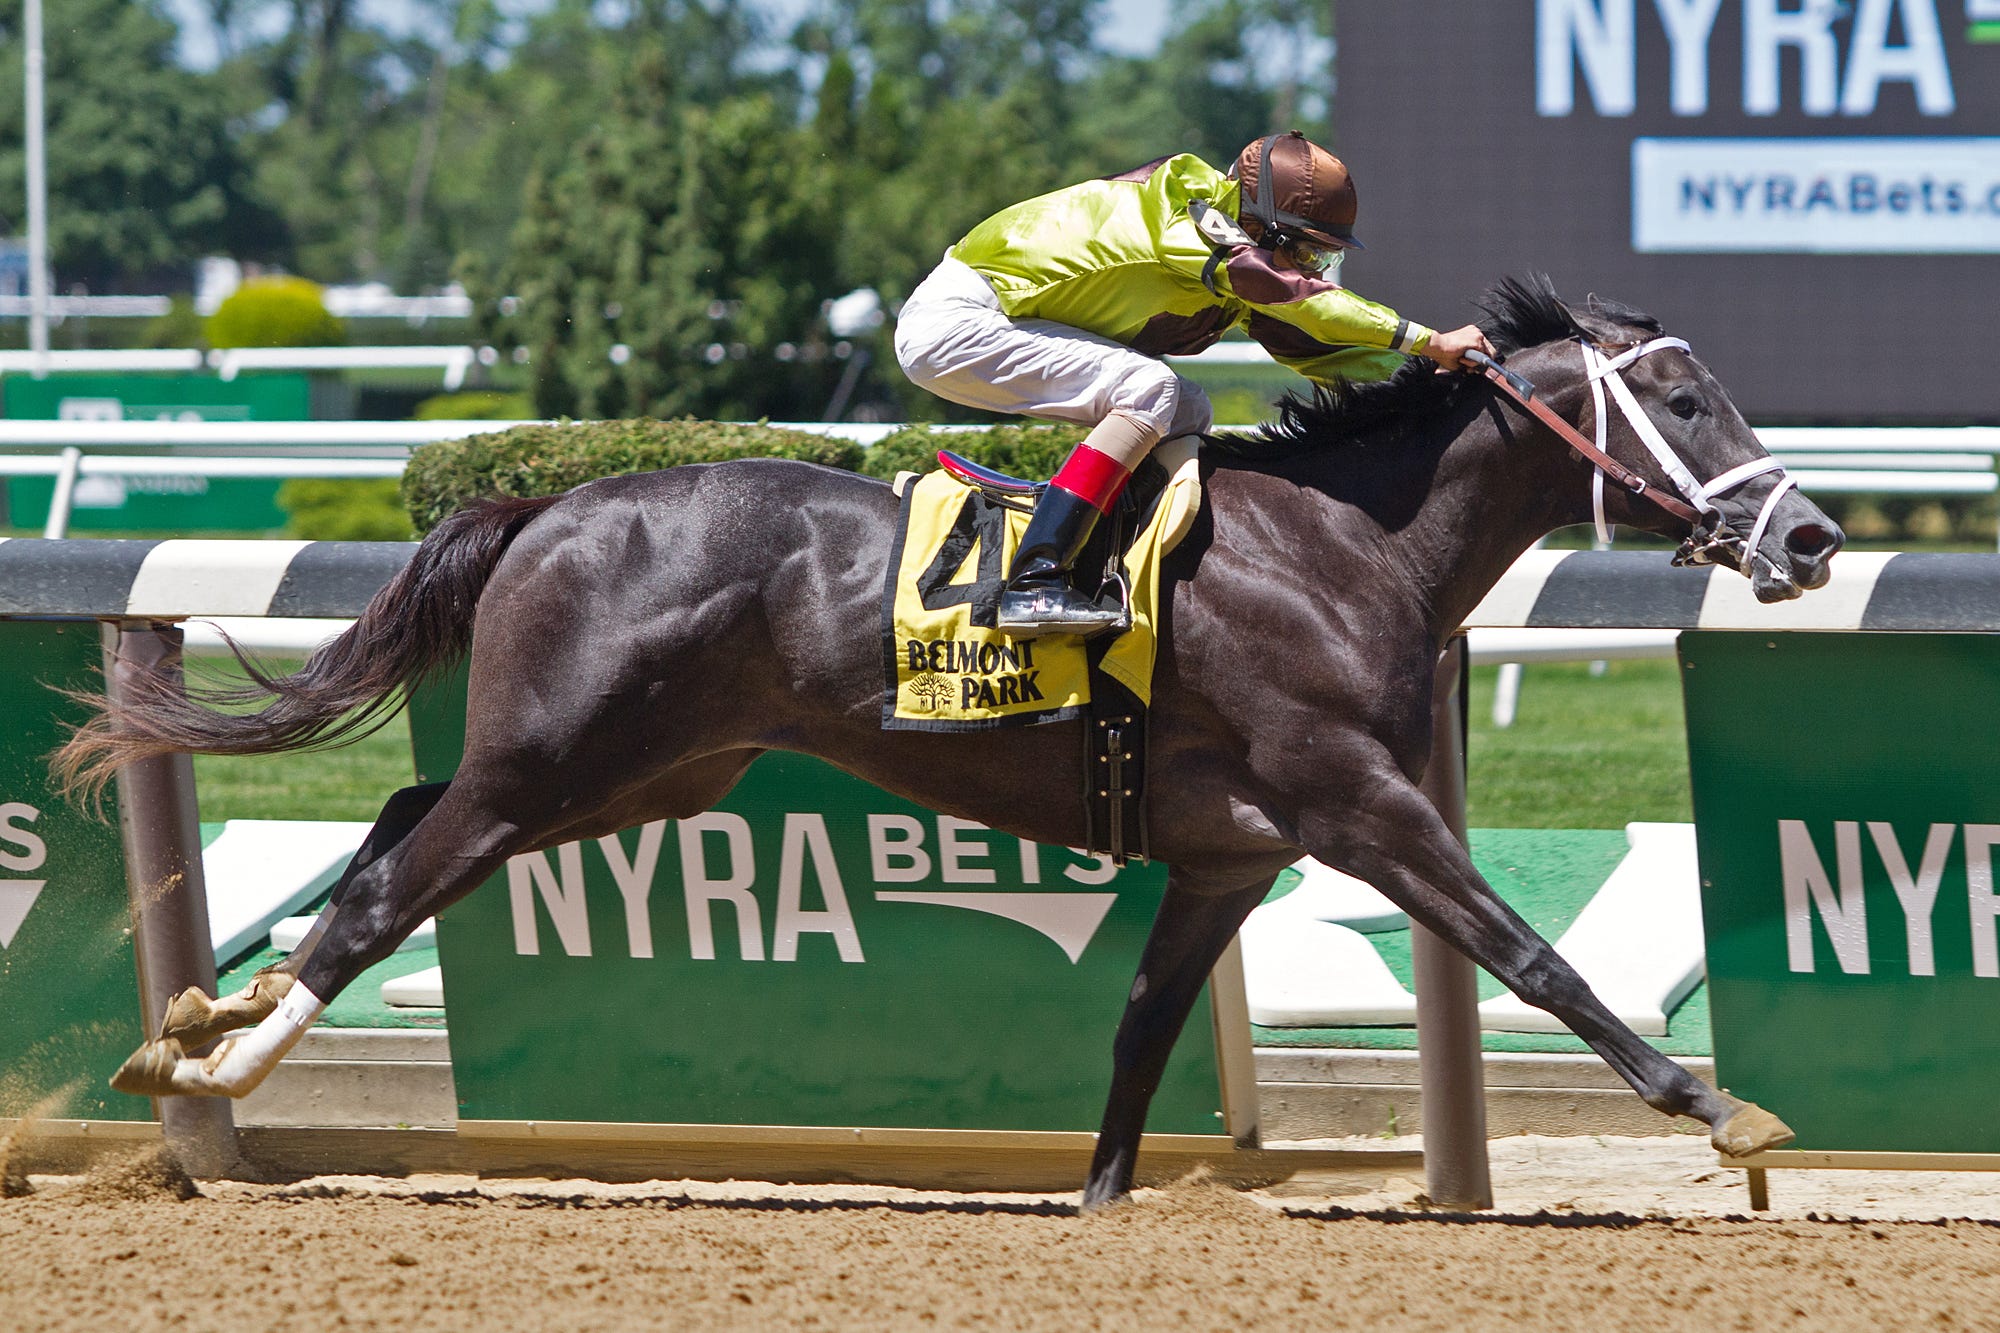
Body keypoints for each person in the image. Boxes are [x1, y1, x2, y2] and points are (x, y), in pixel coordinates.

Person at [894, 130, 1496, 639]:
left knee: (1187, 407)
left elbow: (1323, 354)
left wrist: (1435, 384)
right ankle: (1033, 580)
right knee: (1151, 388)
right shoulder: (1190, 221)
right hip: (962, 321)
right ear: (1264, 229)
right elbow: (1301, 300)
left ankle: (1108, 559)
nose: (1314, 269)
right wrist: (1428, 339)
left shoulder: (1242, 254)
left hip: (1002, 319)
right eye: (1310, 252)